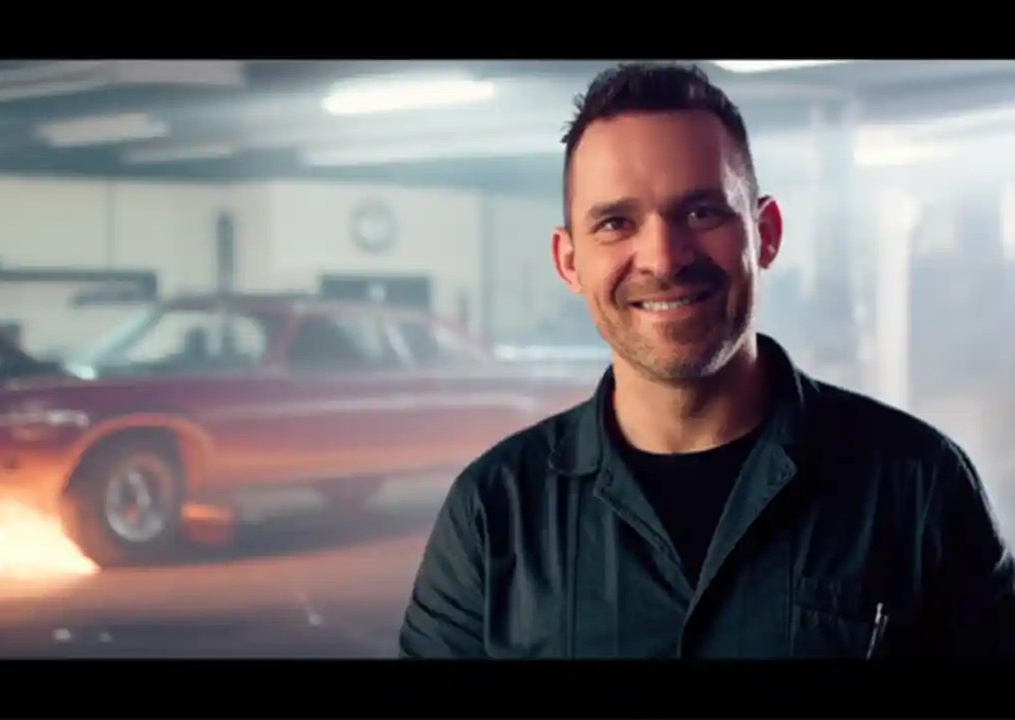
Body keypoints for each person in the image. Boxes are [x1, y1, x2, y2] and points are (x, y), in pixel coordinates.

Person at [397, 61, 1015, 658]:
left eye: (700, 212)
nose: (663, 259)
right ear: (569, 262)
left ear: (765, 234)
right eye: (615, 223)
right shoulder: (492, 512)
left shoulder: (917, 484)